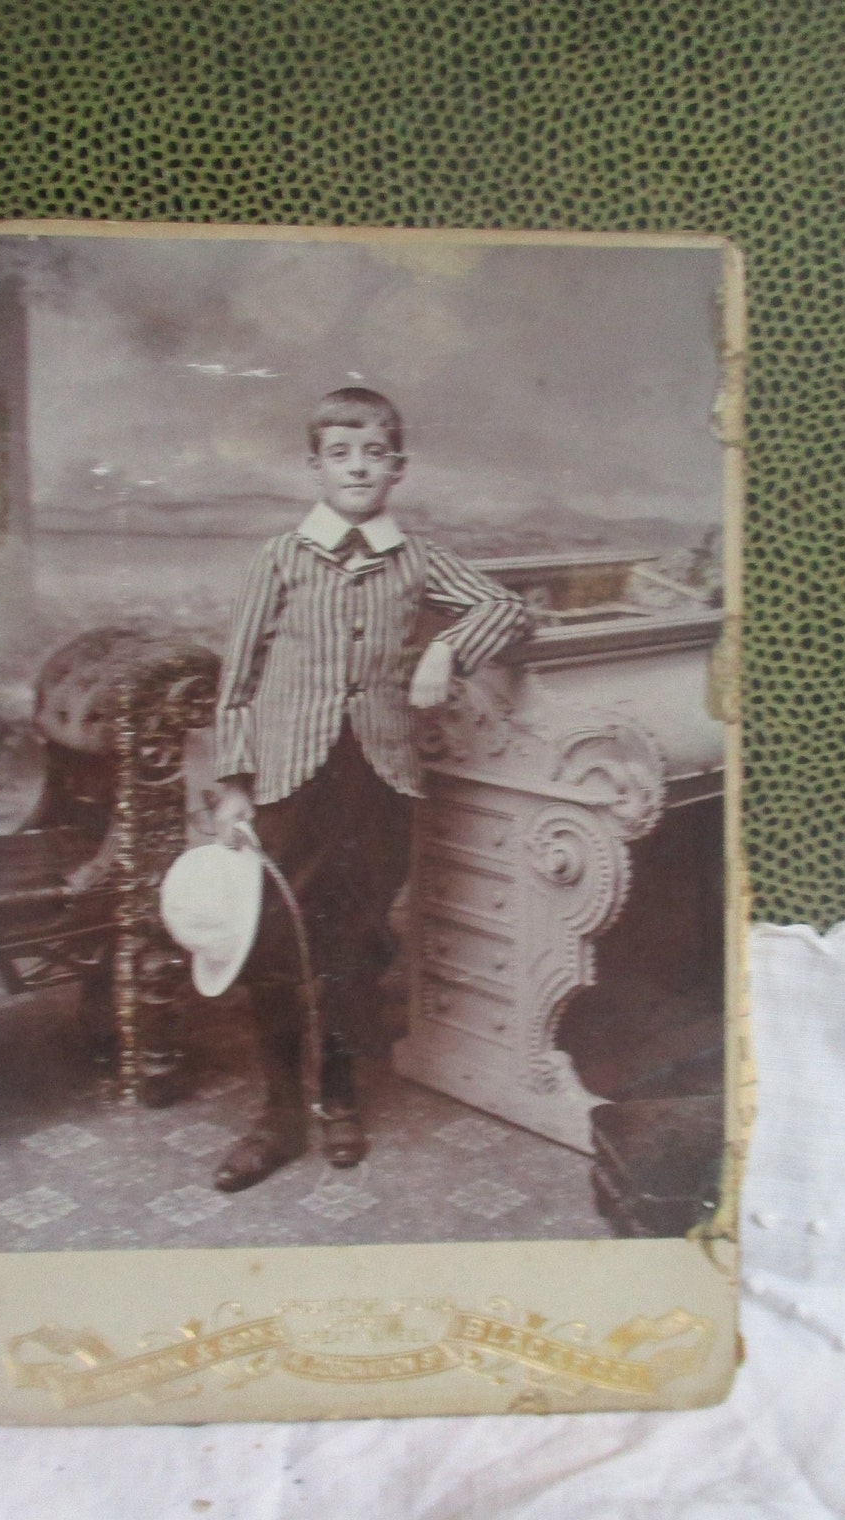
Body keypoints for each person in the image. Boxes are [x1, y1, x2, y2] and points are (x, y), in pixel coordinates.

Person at [210, 387, 531, 1191]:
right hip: (288, 782)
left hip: (378, 781)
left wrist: (445, 650)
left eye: (374, 454)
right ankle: (280, 1113)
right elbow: (237, 682)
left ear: (398, 468)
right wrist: (236, 786)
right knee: (272, 939)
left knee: (354, 943)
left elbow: (505, 606)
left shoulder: (417, 559)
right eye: (340, 454)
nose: (357, 467)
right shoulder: (279, 558)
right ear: (315, 466)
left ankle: (340, 1096)